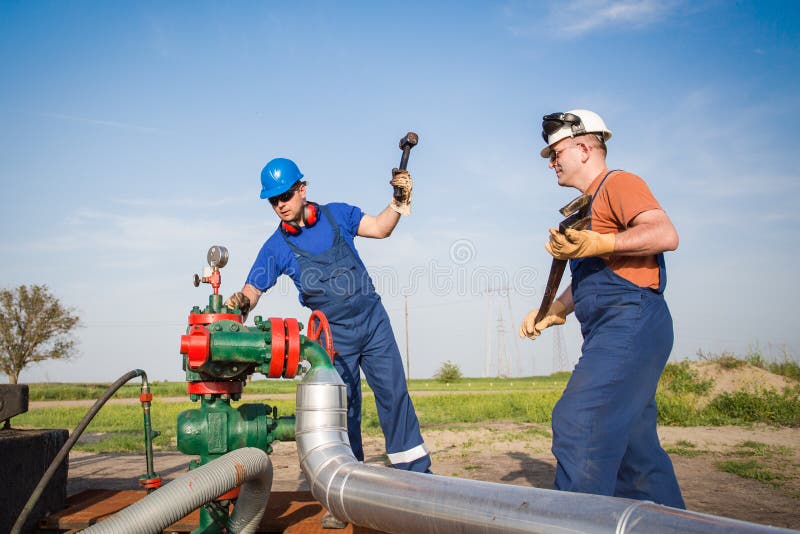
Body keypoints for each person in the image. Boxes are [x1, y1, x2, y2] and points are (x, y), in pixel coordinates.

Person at [225, 157, 431, 482]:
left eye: (286, 196)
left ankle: (419, 476)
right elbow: (251, 292)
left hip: (373, 321)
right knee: (343, 410)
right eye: (273, 200)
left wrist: (398, 202)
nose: (280, 205)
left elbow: (380, 228)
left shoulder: (338, 216)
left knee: (394, 394)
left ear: (302, 189)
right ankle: (351, 486)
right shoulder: (277, 247)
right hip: (333, 338)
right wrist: (239, 304)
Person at [519, 109, 685, 508]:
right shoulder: (588, 206)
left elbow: (665, 233)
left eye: (555, 152)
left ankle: (579, 521)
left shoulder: (619, 183)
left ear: (583, 148)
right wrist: (554, 309)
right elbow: (593, 276)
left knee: (580, 421)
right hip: (618, 327)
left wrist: (601, 243)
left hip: (631, 320)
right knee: (634, 449)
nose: (551, 162)